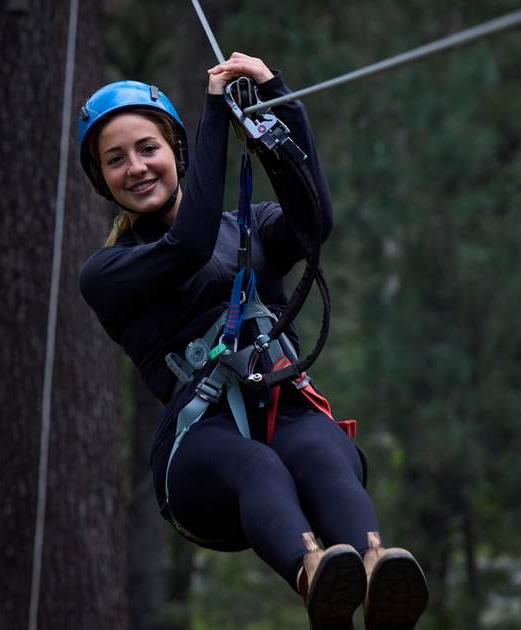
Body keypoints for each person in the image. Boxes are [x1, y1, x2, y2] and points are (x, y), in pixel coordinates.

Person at [77, 52, 428, 629]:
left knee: (322, 453)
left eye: (147, 149)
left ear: (175, 154)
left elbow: (314, 220)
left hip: (284, 411)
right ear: (103, 180)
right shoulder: (108, 272)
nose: (136, 168)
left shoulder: (251, 225)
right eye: (116, 161)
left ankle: (373, 565)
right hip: (200, 446)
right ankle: (316, 575)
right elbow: (186, 248)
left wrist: (274, 102)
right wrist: (215, 112)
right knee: (258, 467)